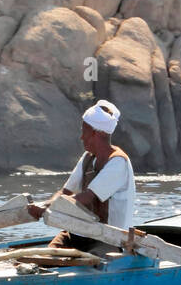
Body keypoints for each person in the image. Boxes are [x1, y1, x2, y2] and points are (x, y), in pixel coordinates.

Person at [27, 100, 135, 256]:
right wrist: (44, 204)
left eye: (84, 131)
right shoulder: (88, 158)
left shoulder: (118, 162)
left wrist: (48, 208)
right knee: (45, 257)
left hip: (107, 239)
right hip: (77, 234)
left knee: (95, 262)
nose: (81, 137)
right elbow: (66, 192)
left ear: (96, 133)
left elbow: (87, 197)